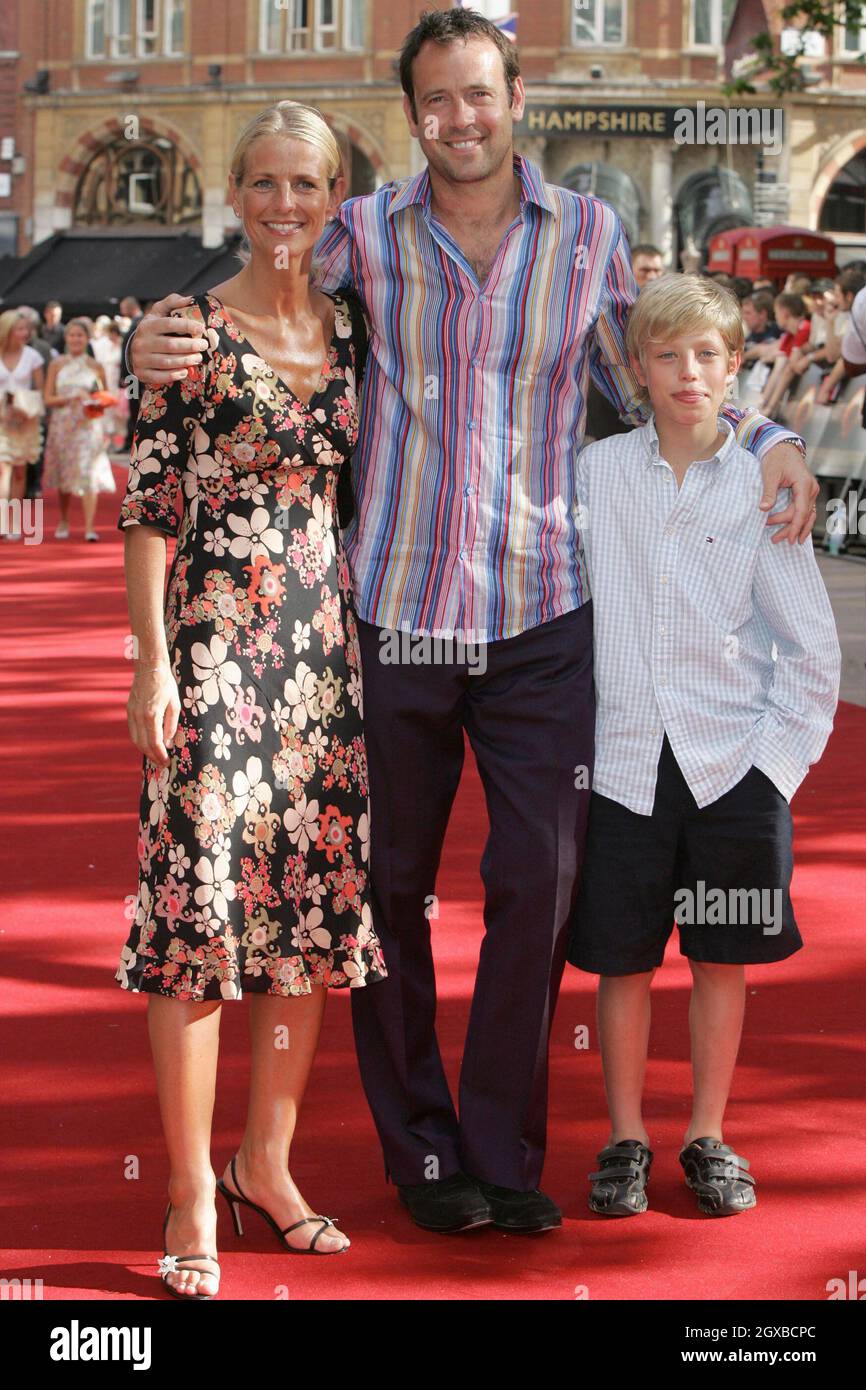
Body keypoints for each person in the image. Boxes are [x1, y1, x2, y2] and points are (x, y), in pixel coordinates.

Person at [126, 7, 818, 1239]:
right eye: (435, 100)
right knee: (382, 890)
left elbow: (663, 370)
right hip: (390, 613)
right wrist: (153, 326)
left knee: (534, 888)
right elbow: (261, 284)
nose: (458, 118)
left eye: (478, 94)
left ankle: (501, 1147)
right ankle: (421, 1152)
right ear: (412, 116)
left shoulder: (594, 237)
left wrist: (765, 439)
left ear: (515, 97)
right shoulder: (361, 235)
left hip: (541, 612)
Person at [115, 100, 386, 1300]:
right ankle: (184, 1191)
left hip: (321, 666)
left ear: (336, 197)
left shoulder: (355, 328)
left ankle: (264, 1164)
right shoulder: (185, 333)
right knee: (195, 927)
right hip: (217, 656)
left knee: (302, 923)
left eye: (308, 184)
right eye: (266, 182)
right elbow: (148, 504)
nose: (286, 203)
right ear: (236, 192)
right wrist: (150, 659)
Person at [567, 274, 840, 1218]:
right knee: (623, 961)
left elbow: (811, 646)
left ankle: (708, 1132)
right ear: (637, 368)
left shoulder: (765, 481)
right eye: (668, 356)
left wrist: (776, 769)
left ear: (737, 369)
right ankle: (626, 1136)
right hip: (625, 762)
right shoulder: (596, 475)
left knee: (722, 958)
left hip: (735, 766)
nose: (690, 374)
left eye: (709, 357)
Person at [42, 318, 115, 541]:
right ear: (66, 338)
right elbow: (48, 398)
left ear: (87, 338)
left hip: (88, 425)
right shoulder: (57, 364)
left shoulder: (96, 367)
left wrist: (96, 407)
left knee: (89, 473)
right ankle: (64, 520)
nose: (75, 339)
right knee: (64, 472)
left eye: (80, 335)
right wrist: (69, 398)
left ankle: (90, 528)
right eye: (72, 335)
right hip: (62, 425)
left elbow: (106, 397)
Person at [0, 308, 45, 539]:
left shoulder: (33, 357)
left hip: (24, 419)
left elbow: (40, 390)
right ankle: (1, 521)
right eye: (19, 329)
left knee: (19, 472)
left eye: (26, 329)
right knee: (1, 470)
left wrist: (27, 411)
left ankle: (15, 523)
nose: (25, 333)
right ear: (7, 331)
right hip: (0, 419)